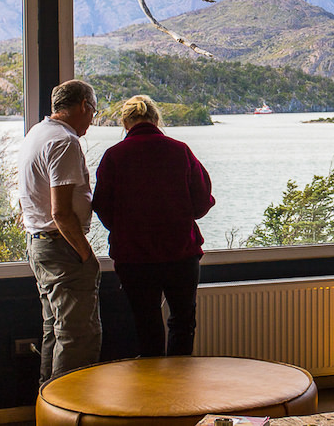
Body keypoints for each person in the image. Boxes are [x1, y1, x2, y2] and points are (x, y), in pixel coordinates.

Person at [92, 94, 215, 357]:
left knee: (146, 323)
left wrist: (124, 228)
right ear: (156, 119)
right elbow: (202, 201)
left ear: (125, 123)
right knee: (182, 321)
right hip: (181, 254)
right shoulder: (180, 150)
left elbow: (101, 205)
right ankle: (178, 384)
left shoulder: (114, 156)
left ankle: (153, 388)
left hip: (134, 257)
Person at [18, 79, 102, 383]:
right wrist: (85, 254)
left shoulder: (37, 134)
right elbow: (61, 212)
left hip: (39, 242)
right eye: (93, 111)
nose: (92, 119)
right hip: (60, 247)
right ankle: (70, 409)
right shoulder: (64, 142)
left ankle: (49, 405)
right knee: (77, 336)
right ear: (83, 106)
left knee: (55, 329)